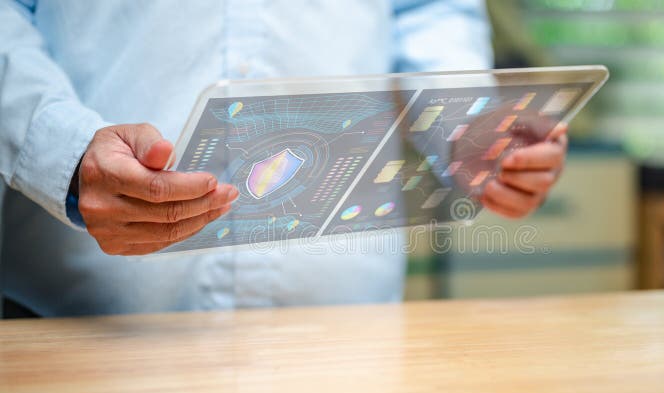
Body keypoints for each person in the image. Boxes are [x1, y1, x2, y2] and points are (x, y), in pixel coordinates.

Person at [0, 0, 567, 316]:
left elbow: (427, 9)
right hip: (83, 310)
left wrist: (466, 125)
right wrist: (62, 149)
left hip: (342, 314)